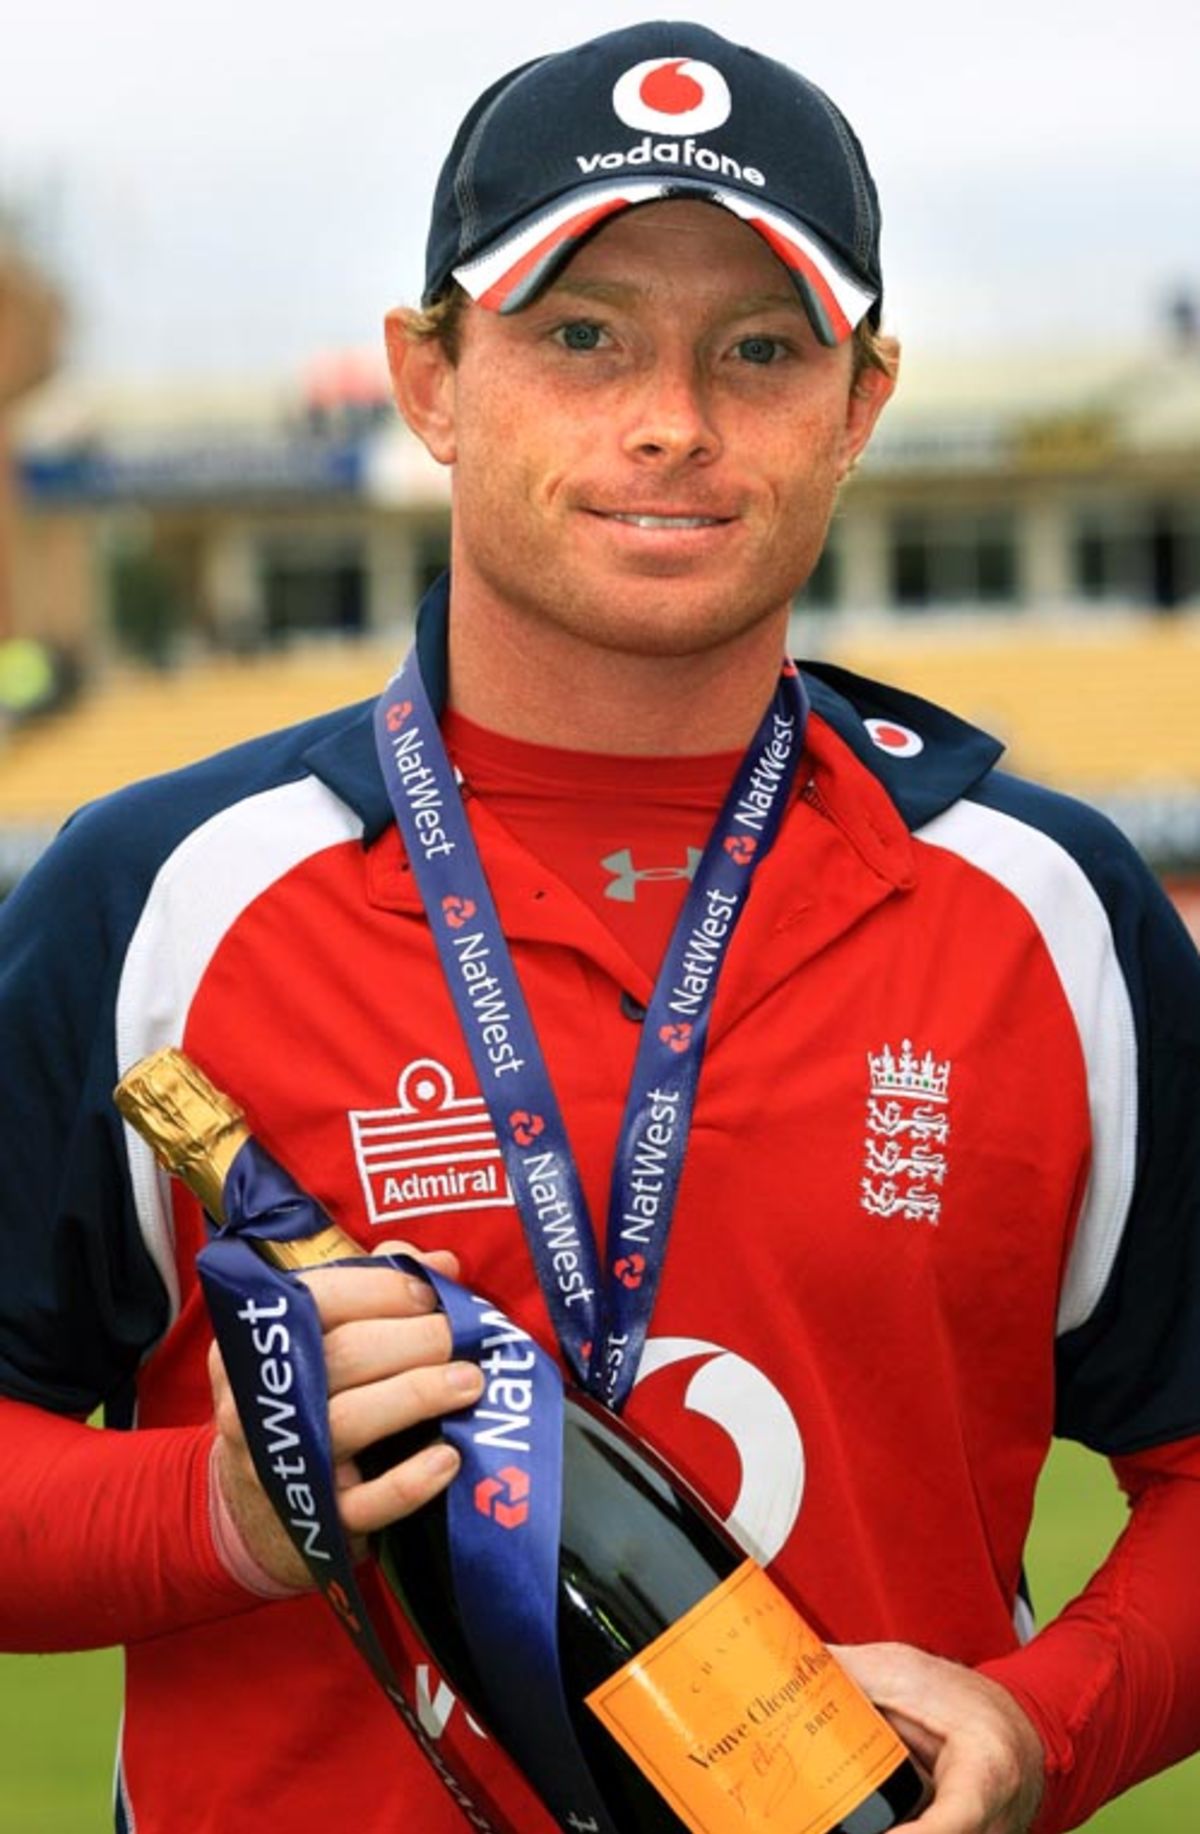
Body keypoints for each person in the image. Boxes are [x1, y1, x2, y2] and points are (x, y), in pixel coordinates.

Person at [1, 20, 1198, 1834]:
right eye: (580, 334)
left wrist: (1048, 1724)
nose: (673, 419)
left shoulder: (1051, 914)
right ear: (430, 378)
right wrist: (222, 1514)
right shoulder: (157, 892)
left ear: (860, 403)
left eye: (762, 349)